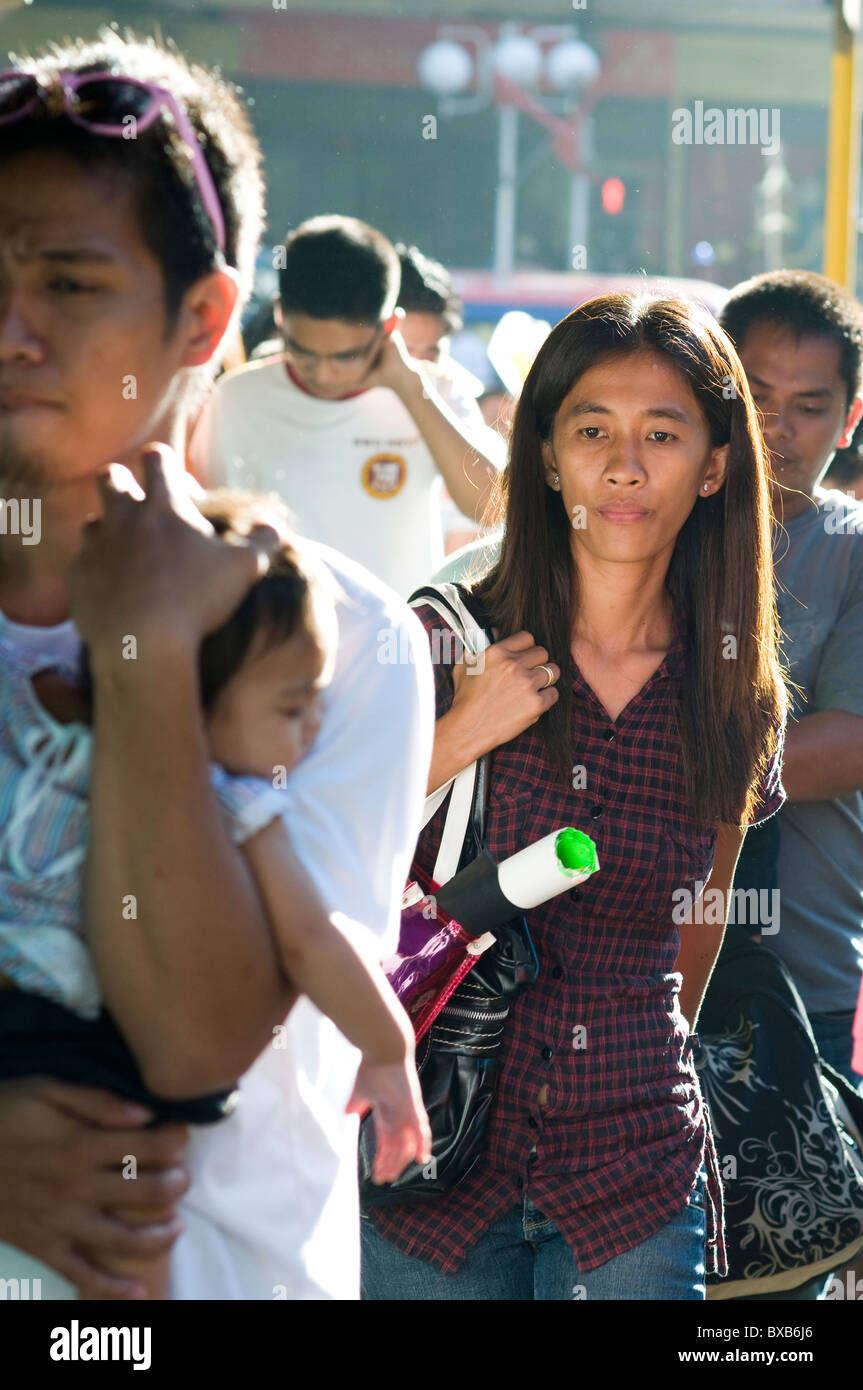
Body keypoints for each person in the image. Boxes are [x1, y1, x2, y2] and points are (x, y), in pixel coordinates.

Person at [0, 31, 432, 1300]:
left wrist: (140, 656)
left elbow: (195, 1039)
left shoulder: (334, 646)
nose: (10, 333)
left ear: (201, 317)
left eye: (69, 285)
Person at [361, 293, 788, 1301]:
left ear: (715, 464)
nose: (622, 465)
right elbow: (304, 839)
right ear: (546, 456)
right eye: (590, 429)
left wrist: (639, 1049)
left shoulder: (730, 685)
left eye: (661, 434)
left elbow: (699, 921)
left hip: (631, 1173)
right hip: (428, 1157)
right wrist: (461, 730)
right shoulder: (441, 641)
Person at [0, 488, 430, 1298]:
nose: (311, 731)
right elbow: (309, 941)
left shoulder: (49, 724)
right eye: (291, 707)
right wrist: (386, 1048)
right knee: (136, 1191)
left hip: (23, 1021)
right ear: (198, 700)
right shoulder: (235, 804)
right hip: (97, 1053)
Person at [190, 215, 500, 596]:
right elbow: (204, 527)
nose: (323, 373)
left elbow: (492, 506)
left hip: (399, 645)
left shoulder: (436, 394)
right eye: (303, 352)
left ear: (389, 328)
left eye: (345, 356)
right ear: (280, 315)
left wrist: (408, 387)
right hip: (275, 645)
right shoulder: (236, 398)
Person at [720, 270, 863, 1089]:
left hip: (806, 984)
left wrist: (645, 768)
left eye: (809, 406)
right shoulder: (650, 525)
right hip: (627, 983)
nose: (776, 427)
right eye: (753, 394)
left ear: (847, 419)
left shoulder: (850, 552)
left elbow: (848, 747)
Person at [394, 242, 504, 557]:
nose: (415, 371)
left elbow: (468, 544)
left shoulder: (457, 407)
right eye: (403, 352)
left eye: (431, 353)